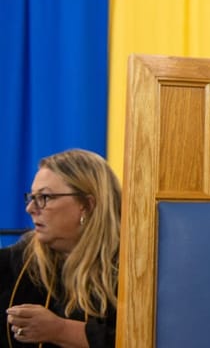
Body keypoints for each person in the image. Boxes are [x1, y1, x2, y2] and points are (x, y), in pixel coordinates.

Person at [2, 149, 121, 348]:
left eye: (44, 197)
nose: (30, 208)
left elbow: (138, 339)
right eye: (31, 197)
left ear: (87, 205)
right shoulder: (22, 260)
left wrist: (61, 330)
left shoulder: (129, 268)